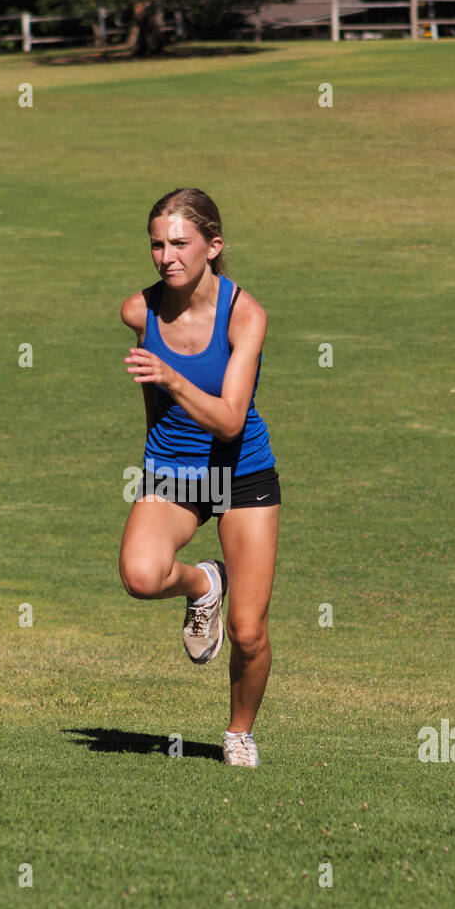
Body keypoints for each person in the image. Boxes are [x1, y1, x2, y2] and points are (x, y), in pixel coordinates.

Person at [119, 187, 280, 770]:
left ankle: (238, 732)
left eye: (181, 243)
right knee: (140, 575)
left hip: (240, 470)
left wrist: (173, 379)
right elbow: (151, 404)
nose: (167, 257)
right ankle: (203, 583)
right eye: (157, 245)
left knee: (248, 631)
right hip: (174, 471)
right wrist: (155, 462)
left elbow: (232, 419)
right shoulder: (140, 312)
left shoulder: (246, 314)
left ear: (213, 246)